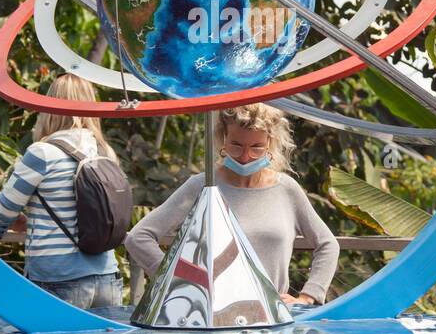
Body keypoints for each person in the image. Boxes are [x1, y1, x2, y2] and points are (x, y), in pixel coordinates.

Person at [125, 103, 340, 305]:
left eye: (256, 147)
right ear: (222, 138)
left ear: (270, 143)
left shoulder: (286, 189)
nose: (245, 157)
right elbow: (138, 237)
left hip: (273, 321)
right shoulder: (202, 185)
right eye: (236, 146)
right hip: (212, 320)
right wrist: (175, 282)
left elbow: (328, 245)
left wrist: (307, 296)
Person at [0, 74, 123, 309]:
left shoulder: (42, 153)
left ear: (50, 106)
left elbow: (2, 214)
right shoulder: (105, 152)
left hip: (58, 280)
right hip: (108, 277)